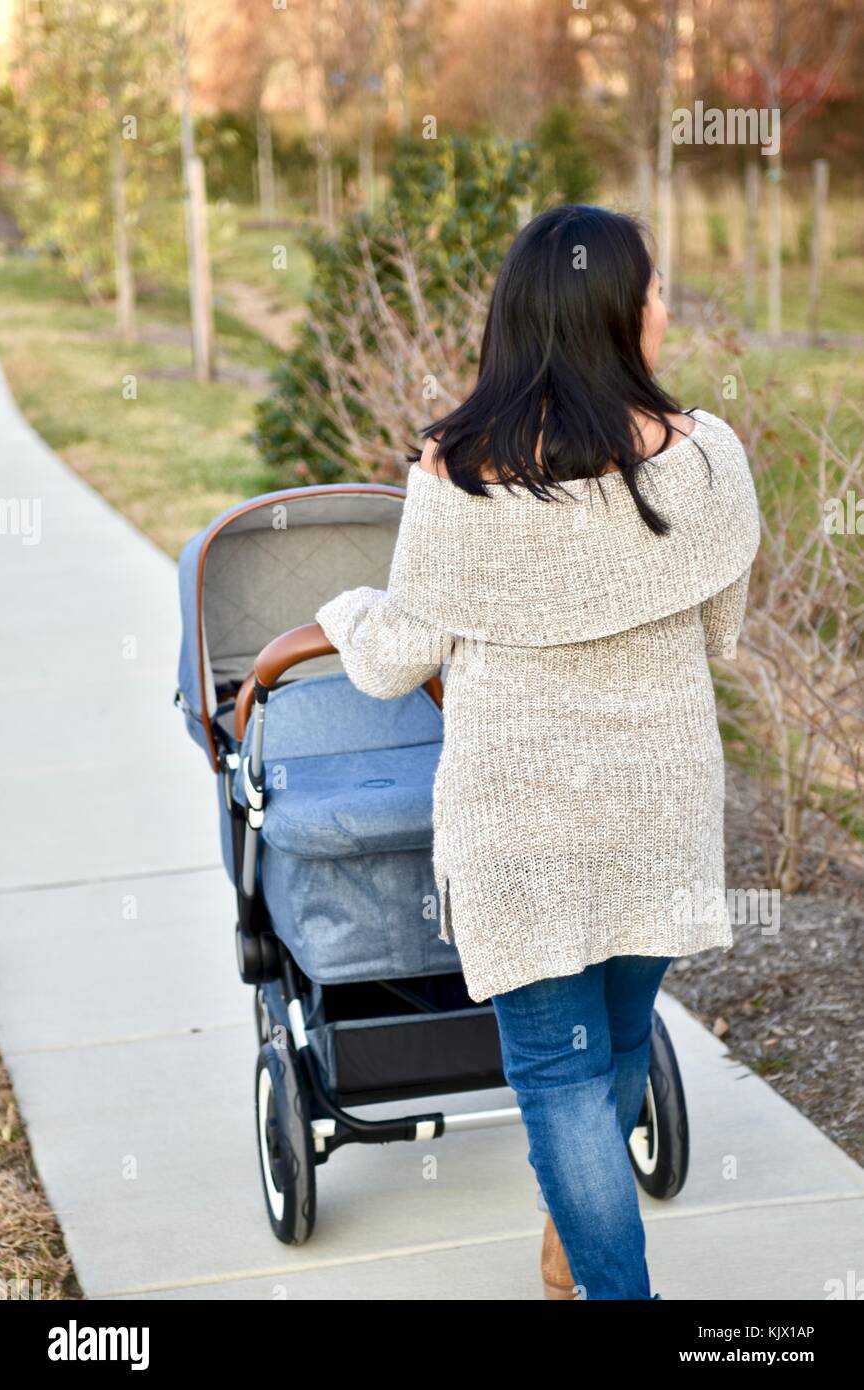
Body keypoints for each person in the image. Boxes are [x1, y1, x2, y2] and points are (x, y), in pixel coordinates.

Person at [315, 204, 761, 1300]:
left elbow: (390, 660)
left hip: (518, 821)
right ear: (618, 311)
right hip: (653, 804)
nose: (663, 307)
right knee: (610, 1052)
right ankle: (574, 1265)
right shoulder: (705, 462)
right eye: (653, 290)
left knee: (562, 1077)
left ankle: (605, 1286)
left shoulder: (456, 473)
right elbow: (721, 632)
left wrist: (341, 610)